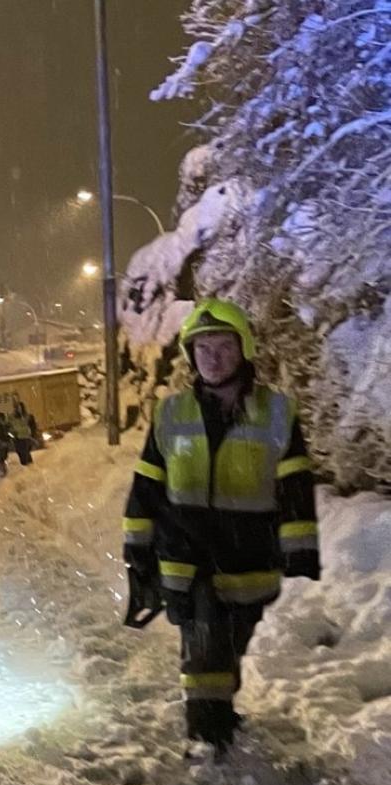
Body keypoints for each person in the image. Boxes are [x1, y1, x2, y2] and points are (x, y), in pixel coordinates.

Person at [121, 299, 320, 758]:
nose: (211, 357)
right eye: (202, 347)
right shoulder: (171, 415)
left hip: (249, 560)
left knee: (231, 644)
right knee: (203, 641)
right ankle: (206, 737)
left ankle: (220, 709)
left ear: (243, 349)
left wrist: (301, 551)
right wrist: (138, 553)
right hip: (186, 558)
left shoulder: (276, 413)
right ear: (191, 355)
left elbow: (295, 487)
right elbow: (146, 489)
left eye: (223, 346)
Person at [8, 401, 39, 466]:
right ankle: (27, 466)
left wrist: (32, 434)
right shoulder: (12, 417)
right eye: (18, 408)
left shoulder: (27, 416)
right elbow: (9, 427)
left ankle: (28, 466)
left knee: (25, 453)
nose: (19, 410)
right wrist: (12, 434)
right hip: (17, 438)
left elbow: (32, 426)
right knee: (21, 453)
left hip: (25, 437)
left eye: (20, 408)